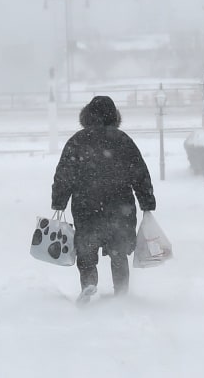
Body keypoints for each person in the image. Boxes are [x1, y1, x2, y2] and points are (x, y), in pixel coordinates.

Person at [51, 95, 156, 303]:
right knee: (118, 253)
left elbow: (64, 173)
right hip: (120, 207)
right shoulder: (123, 140)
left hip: (86, 205)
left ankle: (89, 284)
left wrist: (59, 201)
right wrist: (147, 201)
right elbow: (140, 173)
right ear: (114, 116)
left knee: (86, 250)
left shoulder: (78, 141)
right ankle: (121, 293)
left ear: (88, 115)